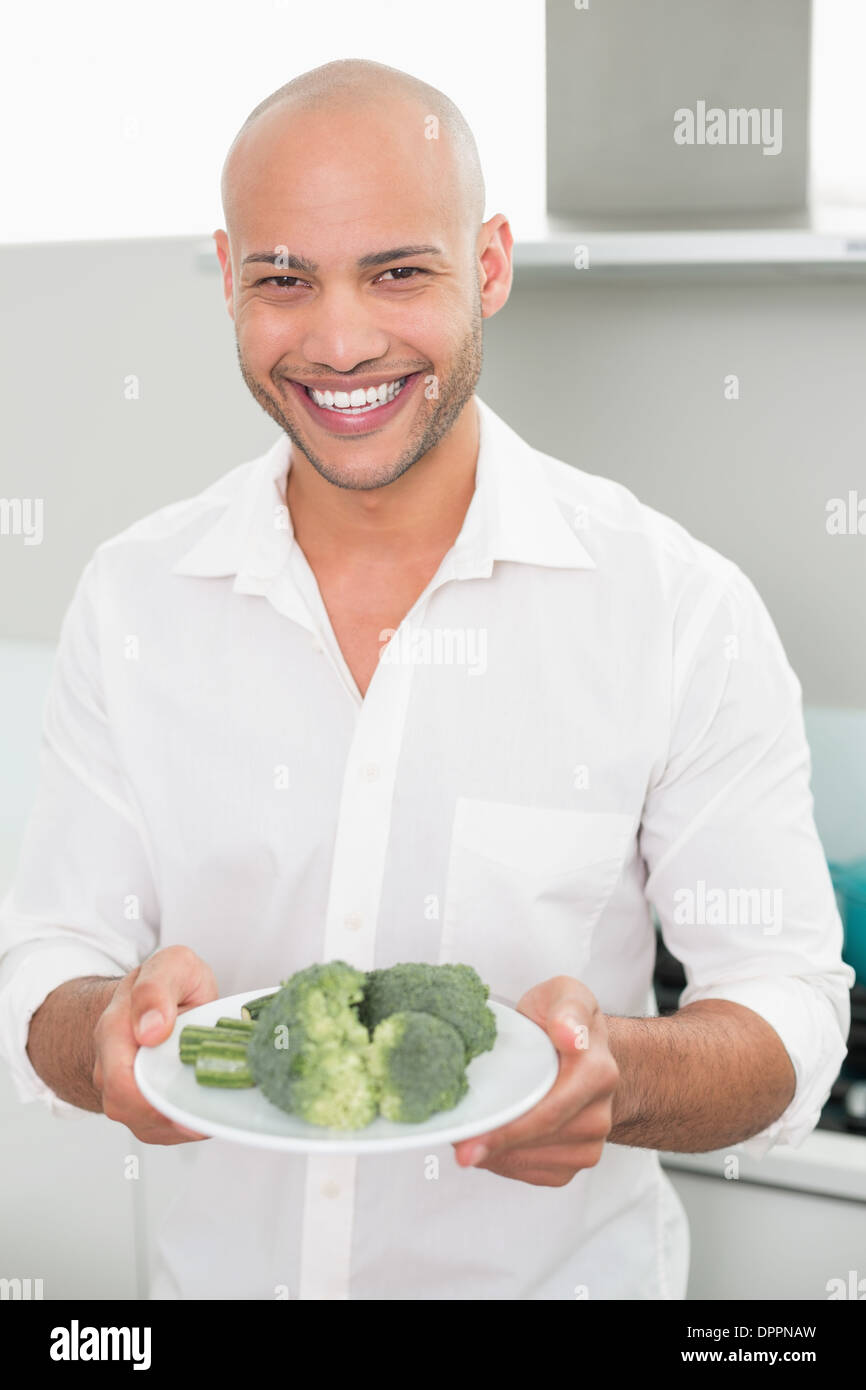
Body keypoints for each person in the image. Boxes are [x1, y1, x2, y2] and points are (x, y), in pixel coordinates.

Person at [0, 59, 853, 1300]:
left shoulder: (674, 607)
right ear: (229, 274)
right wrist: (101, 1035)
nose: (340, 341)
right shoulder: (134, 600)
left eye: (399, 271)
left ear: (490, 266)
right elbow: (41, 962)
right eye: (284, 278)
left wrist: (618, 1075)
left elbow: (786, 1009)